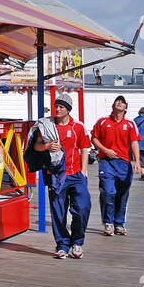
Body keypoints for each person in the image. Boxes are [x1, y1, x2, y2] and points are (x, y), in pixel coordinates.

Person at [32, 95, 92, 259]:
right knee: (58, 212)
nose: (57, 109)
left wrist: (84, 172)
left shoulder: (78, 126)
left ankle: (77, 242)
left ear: (68, 110)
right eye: (56, 106)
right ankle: (62, 245)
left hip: (76, 174)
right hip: (55, 175)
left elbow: (85, 148)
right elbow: (36, 146)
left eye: (61, 107)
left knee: (82, 208)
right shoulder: (47, 125)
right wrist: (47, 146)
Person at [91, 95, 141, 236]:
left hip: (124, 162)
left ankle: (119, 223)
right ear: (113, 106)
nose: (119, 103)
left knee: (122, 194)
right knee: (108, 191)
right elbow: (94, 138)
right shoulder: (102, 122)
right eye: (117, 101)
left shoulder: (130, 124)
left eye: (122, 102)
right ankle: (108, 222)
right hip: (106, 162)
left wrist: (137, 161)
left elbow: (134, 142)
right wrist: (105, 150)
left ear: (125, 108)